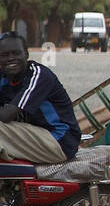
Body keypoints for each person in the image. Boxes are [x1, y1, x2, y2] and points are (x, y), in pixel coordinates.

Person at [0, 32, 78, 164]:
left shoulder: (39, 75)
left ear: (26, 54)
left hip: (59, 141)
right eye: (4, 55)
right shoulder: (3, 77)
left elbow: (6, 116)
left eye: (16, 53)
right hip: (36, 136)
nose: (11, 58)